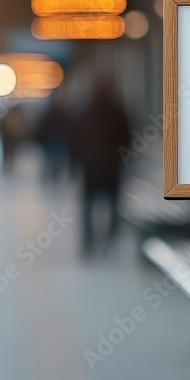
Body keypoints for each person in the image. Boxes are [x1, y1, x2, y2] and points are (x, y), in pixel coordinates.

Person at [68, 78, 131, 253]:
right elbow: (126, 137)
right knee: (113, 203)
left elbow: (74, 138)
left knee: (88, 204)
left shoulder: (85, 112)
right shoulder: (117, 112)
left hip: (91, 167)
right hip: (111, 166)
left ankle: (89, 239)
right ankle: (112, 235)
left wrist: (76, 161)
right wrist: (121, 158)